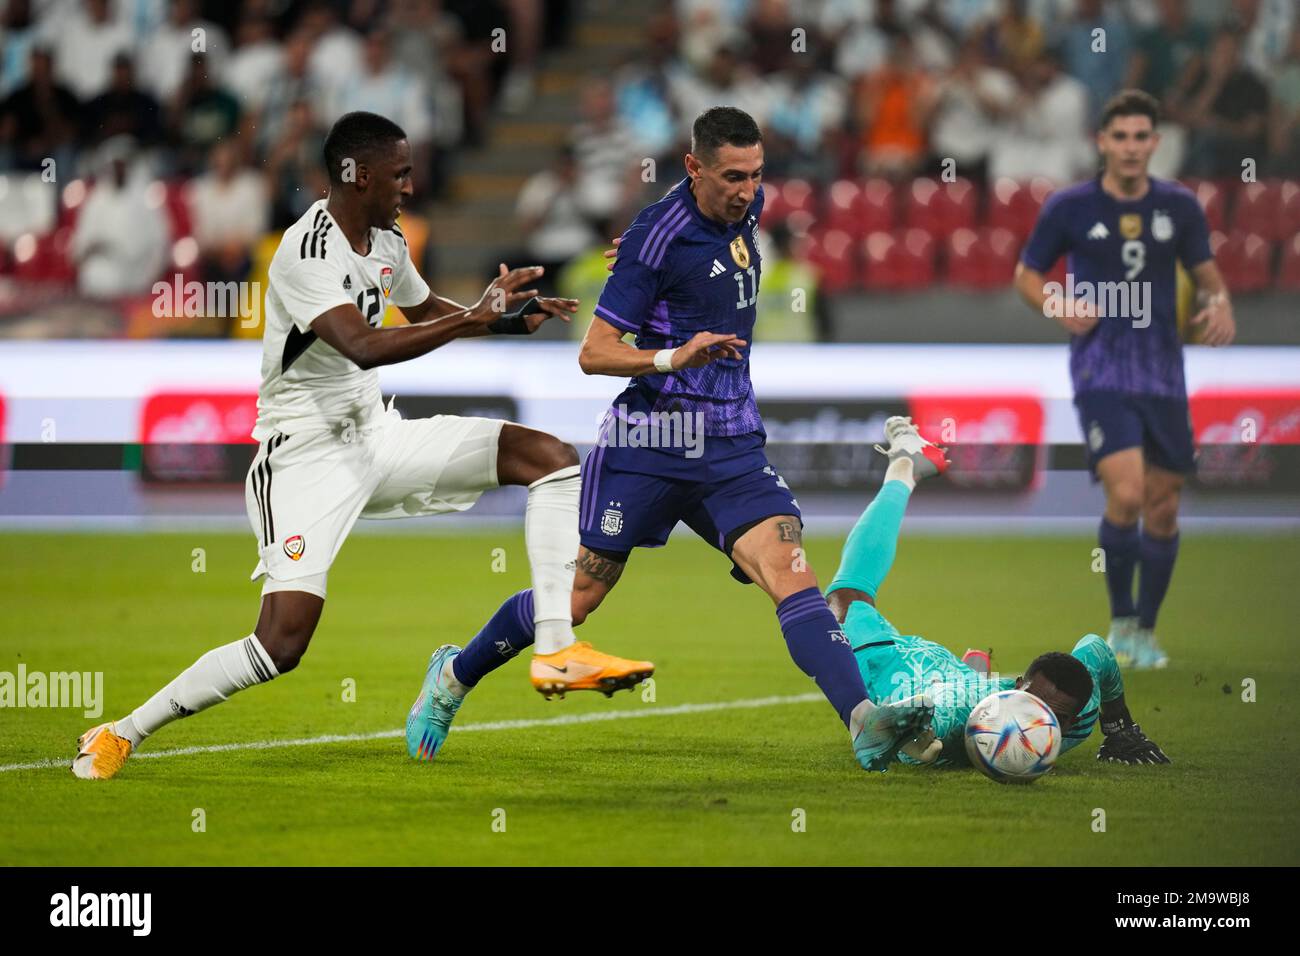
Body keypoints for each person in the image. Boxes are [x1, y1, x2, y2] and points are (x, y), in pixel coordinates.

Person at [72, 112, 653, 780]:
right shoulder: (304, 252)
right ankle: (123, 731)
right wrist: (472, 319)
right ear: (357, 173)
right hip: (302, 458)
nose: (410, 183)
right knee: (282, 643)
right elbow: (362, 342)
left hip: (374, 437)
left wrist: (507, 319)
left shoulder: (387, 239)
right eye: (400, 172)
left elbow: (427, 311)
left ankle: (555, 648)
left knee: (549, 458)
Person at [425, 107, 934, 773]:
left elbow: (692, 229)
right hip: (651, 441)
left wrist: (648, 247)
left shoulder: (736, 209)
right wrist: (672, 348)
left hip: (729, 443)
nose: (748, 191)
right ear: (694, 168)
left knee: (788, 571)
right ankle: (452, 678)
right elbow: (594, 354)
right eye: (732, 177)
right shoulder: (656, 239)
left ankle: (864, 722)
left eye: (756, 175)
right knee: (576, 599)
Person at [1013, 90, 1236, 670]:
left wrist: (1220, 304)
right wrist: (1056, 302)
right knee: (1129, 493)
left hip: (1164, 374)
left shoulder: (1180, 208)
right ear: (1102, 142)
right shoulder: (1069, 207)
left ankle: (1147, 630)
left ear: (1155, 144)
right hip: (1100, 370)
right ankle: (1119, 622)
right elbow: (1027, 274)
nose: (1132, 147)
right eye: (1122, 136)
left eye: (1142, 137)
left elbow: (1208, 276)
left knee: (1163, 507)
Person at [827, 416, 1170, 770]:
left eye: (1049, 714)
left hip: (942, 680)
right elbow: (905, 722)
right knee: (841, 603)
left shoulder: (1079, 721)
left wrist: (1118, 731)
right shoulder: (960, 716)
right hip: (903, 670)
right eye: (1026, 701)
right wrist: (906, 734)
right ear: (1019, 685)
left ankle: (971, 672)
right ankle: (905, 467)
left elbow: (1095, 652)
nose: (1025, 720)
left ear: (1068, 723)